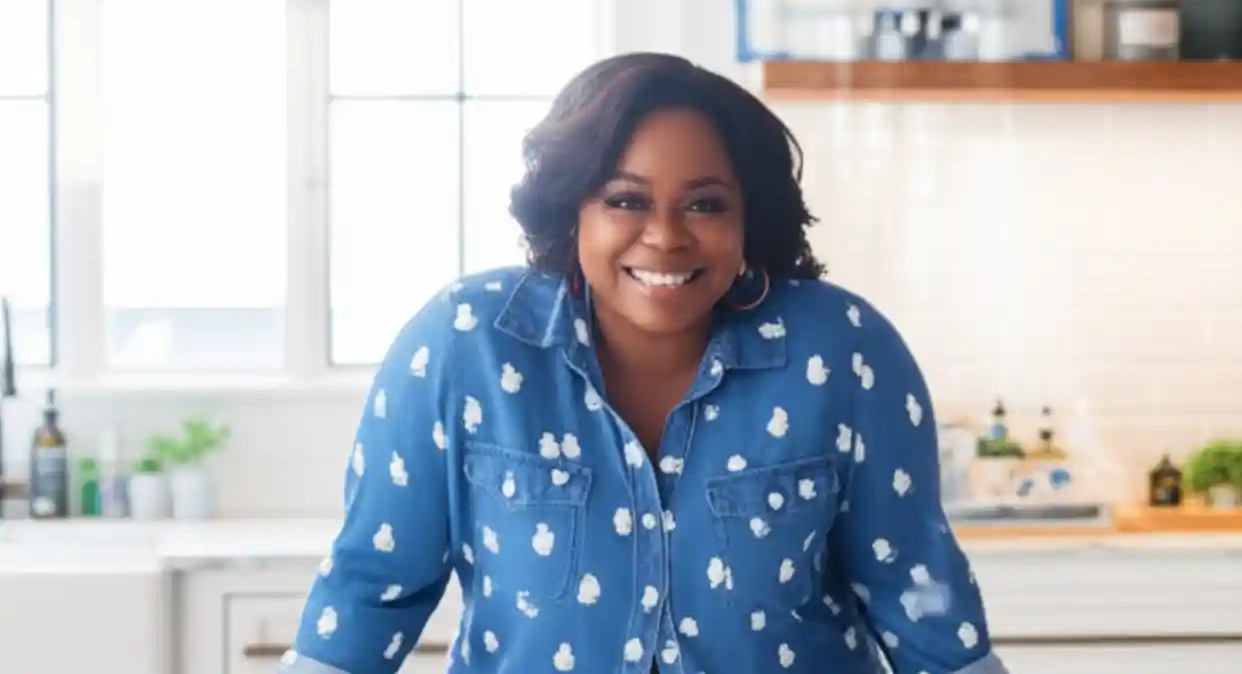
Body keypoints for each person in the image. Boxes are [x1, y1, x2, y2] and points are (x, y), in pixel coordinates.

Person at [278, 52, 1007, 674]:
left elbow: (919, 594)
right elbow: (370, 588)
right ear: (573, 211)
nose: (664, 237)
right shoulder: (464, 345)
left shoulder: (845, 352)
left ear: (749, 218)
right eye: (625, 199)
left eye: (705, 205)